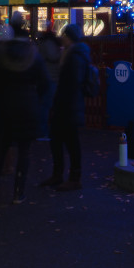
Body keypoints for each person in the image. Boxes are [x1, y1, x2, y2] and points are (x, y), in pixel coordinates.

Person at [0, 19, 48, 202]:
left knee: (2, 148)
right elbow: (44, 83)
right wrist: (35, 98)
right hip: (27, 106)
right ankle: (18, 192)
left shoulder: (1, 54)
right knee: (24, 151)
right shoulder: (33, 55)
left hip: (4, 107)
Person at [42, 22, 92, 191]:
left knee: (69, 141)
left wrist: (62, 101)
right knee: (60, 139)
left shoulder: (75, 55)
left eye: (64, 35)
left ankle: (71, 177)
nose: (61, 38)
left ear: (69, 37)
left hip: (69, 105)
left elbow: (73, 82)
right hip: (68, 104)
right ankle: (62, 174)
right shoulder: (73, 53)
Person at [35, 27, 63, 142]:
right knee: (46, 105)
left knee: (45, 105)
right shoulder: (49, 44)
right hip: (51, 77)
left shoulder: (42, 44)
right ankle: (43, 131)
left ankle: (43, 131)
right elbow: (53, 57)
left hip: (48, 77)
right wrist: (61, 51)